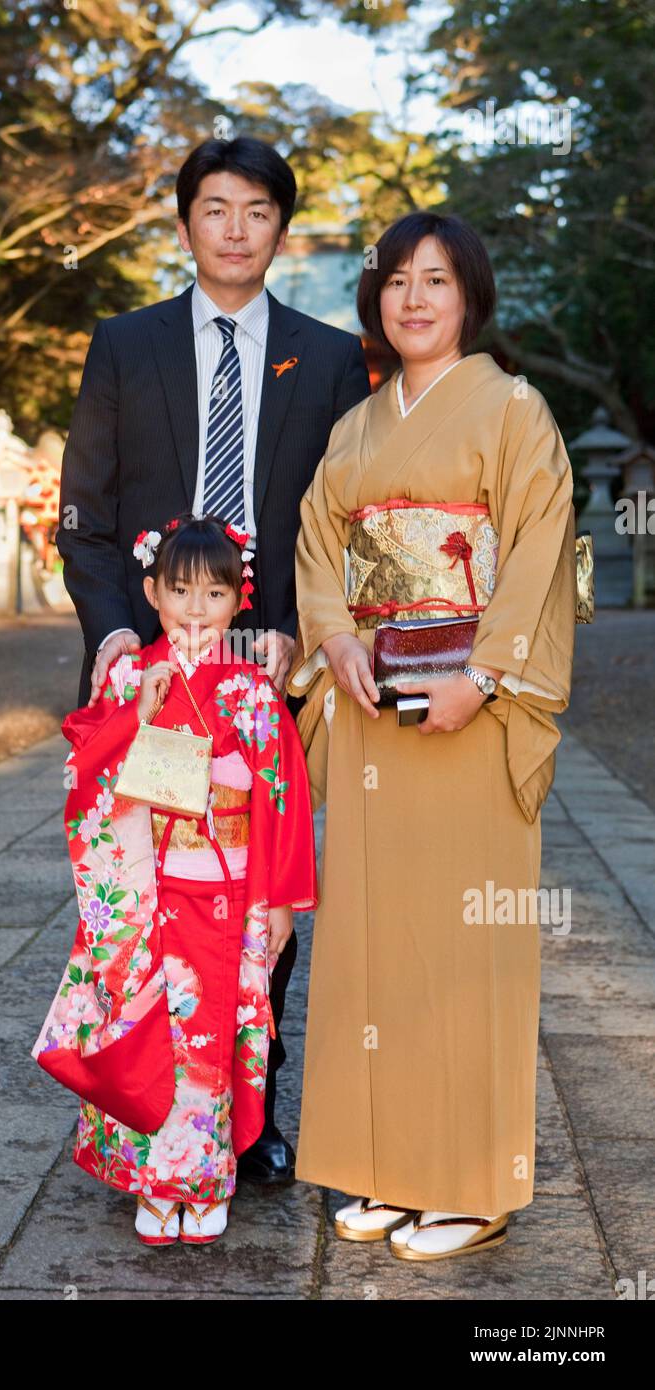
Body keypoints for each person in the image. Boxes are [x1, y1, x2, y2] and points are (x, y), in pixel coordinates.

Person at [56, 135, 371, 1182]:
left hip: (260, 673)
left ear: (282, 227)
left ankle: (247, 1120)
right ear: (183, 221)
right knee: (145, 898)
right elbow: (84, 521)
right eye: (214, 209)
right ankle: (141, 1113)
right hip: (153, 674)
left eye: (257, 212)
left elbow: (334, 523)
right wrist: (117, 640)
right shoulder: (123, 343)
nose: (235, 230)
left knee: (251, 900)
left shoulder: (326, 358)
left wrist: (294, 631)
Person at [287, 211, 577, 1260]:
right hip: (373, 710)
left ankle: (469, 1177)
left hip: (466, 705)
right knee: (371, 945)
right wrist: (334, 638)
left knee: (462, 946)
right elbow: (320, 544)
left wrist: (484, 674)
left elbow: (539, 547)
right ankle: (380, 1165)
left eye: (436, 281)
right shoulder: (355, 429)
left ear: (469, 298)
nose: (412, 299)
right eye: (397, 282)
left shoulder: (511, 409)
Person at [32, 513, 318, 1245]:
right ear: (151, 593)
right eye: (180, 590)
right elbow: (84, 775)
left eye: (214, 593)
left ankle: (206, 1176)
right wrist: (137, 712)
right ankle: (153, 1184)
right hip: (145, 893)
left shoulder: (253, 689)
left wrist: (282, 898)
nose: (195, 608)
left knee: (213, 1039)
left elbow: (281, 797)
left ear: (239, 599)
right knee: (148, 1032)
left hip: (230, 897)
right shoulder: (129, 674)